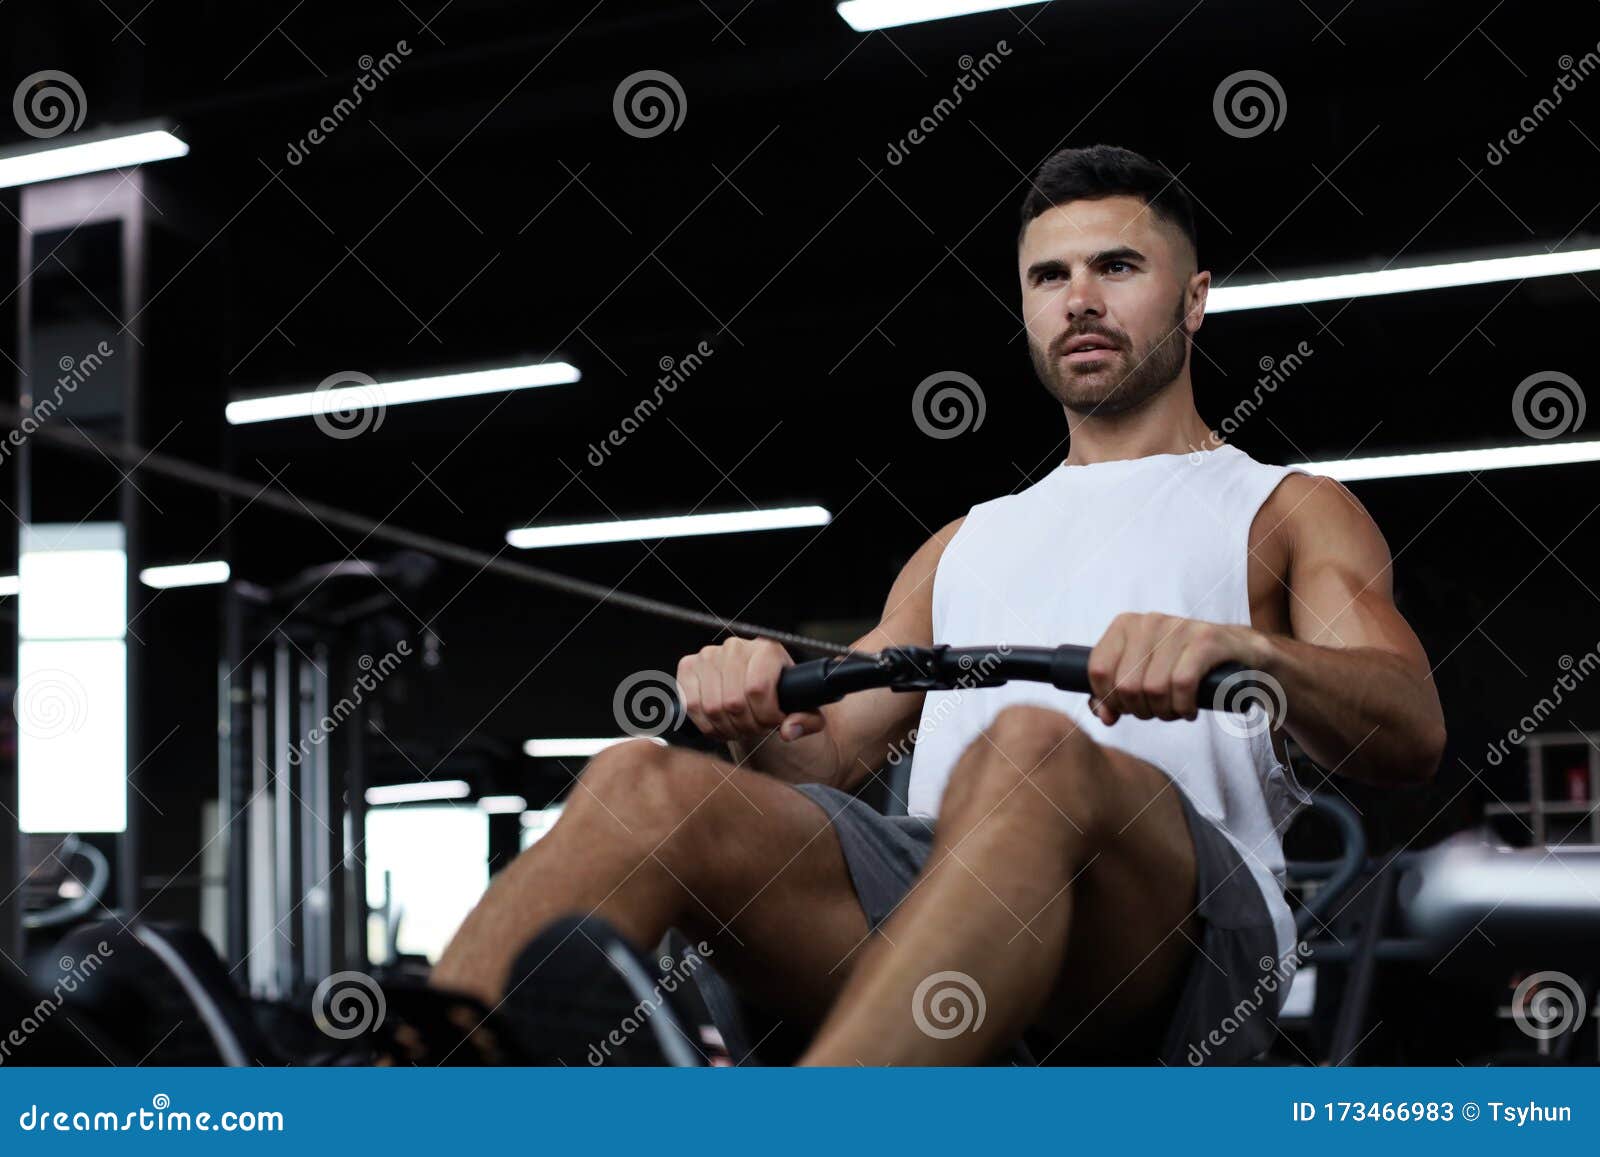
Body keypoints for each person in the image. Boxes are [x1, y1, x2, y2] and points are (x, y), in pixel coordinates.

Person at [429, 143, 1447, 1066]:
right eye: (1049, 277)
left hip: (1180, 941)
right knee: (638, 781)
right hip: (950, 908)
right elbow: (824, 760)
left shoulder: (1282, 508)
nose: (1079, 301)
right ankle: (404, 1095)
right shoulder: (965, 542)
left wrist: (1246, 652)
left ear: (1193, 300)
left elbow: (1409, 726)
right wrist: (753, 713)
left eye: (1117, 267)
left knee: (1030, 750)